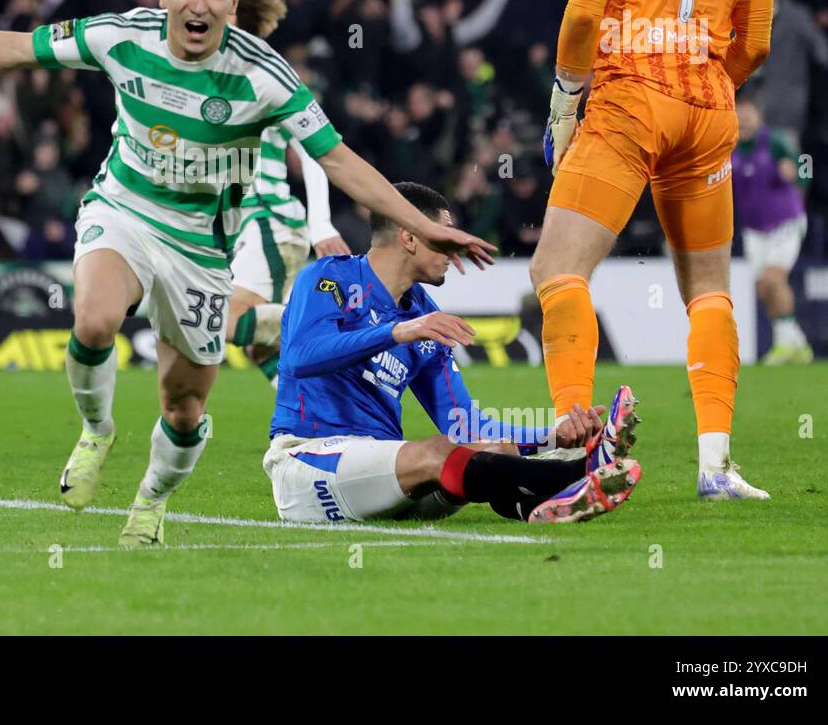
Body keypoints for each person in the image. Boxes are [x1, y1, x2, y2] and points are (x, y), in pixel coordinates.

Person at [0, 0, 496, 546]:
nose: (198, 3)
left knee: (183, 408)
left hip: (202, 249)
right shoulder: (120, 36)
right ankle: (97, 430)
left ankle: (152, 497)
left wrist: (421, 226)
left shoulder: (266, 75)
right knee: (95, 319)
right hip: (123, 211)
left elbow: (341, 162)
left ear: (233, 4)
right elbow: (16, 46)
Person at [532, 0, 775, 500]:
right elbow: (756, 45)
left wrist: (566, 99)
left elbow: (581, 14)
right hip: (707, 110)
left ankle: (577, 437)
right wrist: (708, 79)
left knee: (558, 272)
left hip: (630, 99)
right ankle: (715, 466)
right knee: (709, 294)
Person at [266, 183, 641, 525]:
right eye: (443, 237)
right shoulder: (330, 277)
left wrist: (555, 437)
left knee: (492, 448)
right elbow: (301, 357)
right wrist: (396, 333)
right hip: (308, 464)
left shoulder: (421, 314)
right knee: (437, 451)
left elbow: (466, 426)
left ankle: (540, 499)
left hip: (384, 480)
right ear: (410, 237)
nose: (453, 250)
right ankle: (574, 475)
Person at [227, 0, 349, 388]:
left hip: (269, 220)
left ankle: (339, 326)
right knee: (261, 347)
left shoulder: (263, 75)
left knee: (224, 322)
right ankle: (317, 420)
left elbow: (315, 153)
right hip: (252, 226)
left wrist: (322, 224)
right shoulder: (210, 75)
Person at [733, 96, 811, 364]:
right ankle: (796, 342)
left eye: (748, 116)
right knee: (763, 288)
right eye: (738, 116)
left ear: (759, 118)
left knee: (774, 279)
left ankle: (783, 345)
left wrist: (798, 175)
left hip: (785, 222)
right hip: (755, 228)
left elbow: (805, 164)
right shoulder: (727, 147)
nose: (743, 121)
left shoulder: (775, 142)